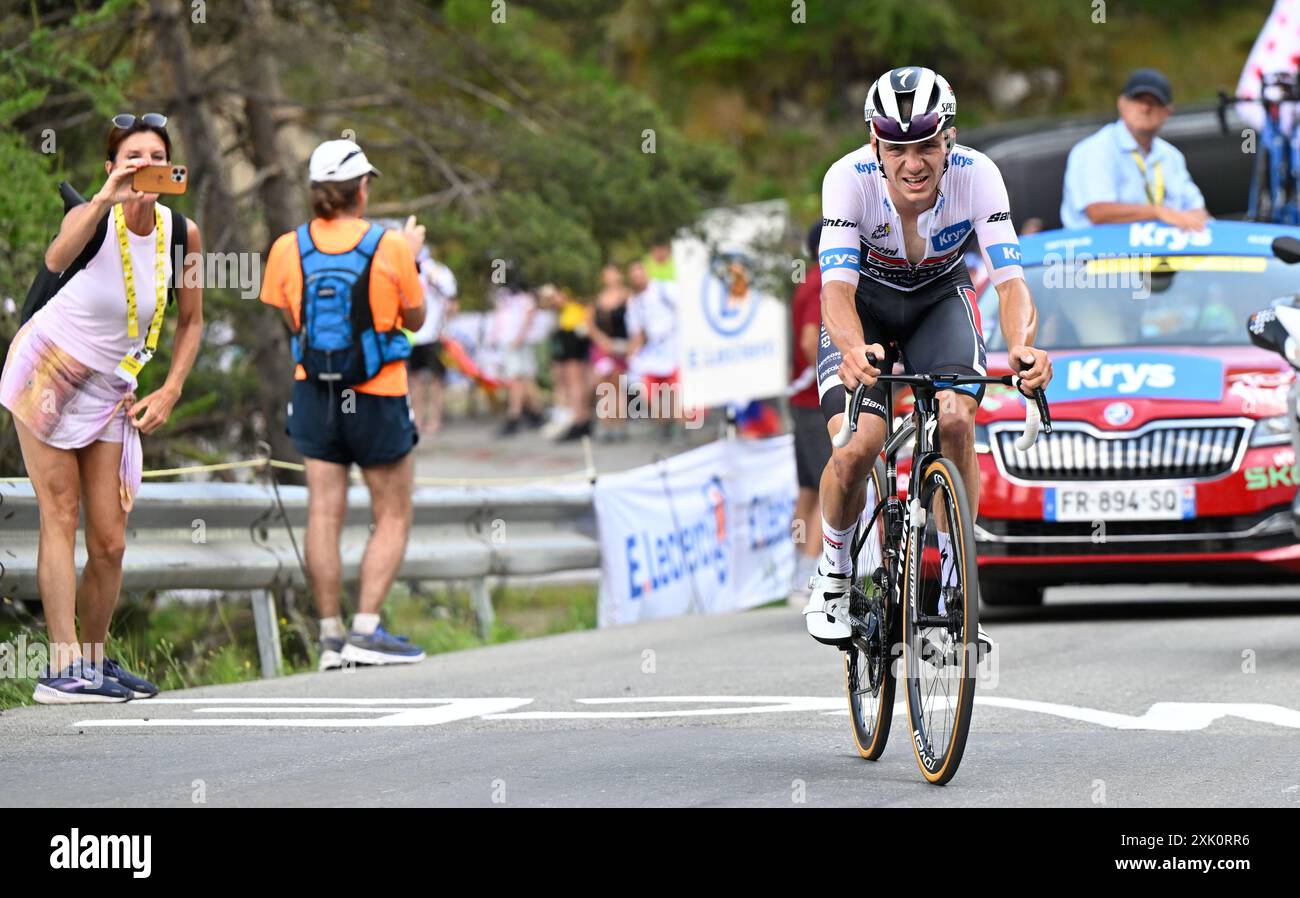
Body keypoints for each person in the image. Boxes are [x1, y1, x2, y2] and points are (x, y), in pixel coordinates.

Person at [806, 66, 1052, 646]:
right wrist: (849, 348)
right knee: (860, 443)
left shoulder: (979, 176)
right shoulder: (847, 179)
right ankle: (836, 573)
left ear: (949, 139)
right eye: (897, 148)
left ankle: (952, 586)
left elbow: (1010, 282)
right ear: (876, 145)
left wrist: (1022, 346)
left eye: (926, 146)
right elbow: (836, 291)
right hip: (863, 305)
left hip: (939, 300)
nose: (913, 163)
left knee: (959, 419)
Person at [0, 113, 204, 702]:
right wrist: (104, 199)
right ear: (113, 166)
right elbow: (57, 259)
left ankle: (93, 658)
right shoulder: (93, 216)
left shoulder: (182, 233)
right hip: (48, 367)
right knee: (60, 512)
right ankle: (62, 667)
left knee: (110, 538)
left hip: (110, 387)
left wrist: (170, 388)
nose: (145, 167)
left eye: (155, 157)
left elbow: (190, 322)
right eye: (132, 157)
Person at [260, 138, 427, 669]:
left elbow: (294, 322)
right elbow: (417, 320)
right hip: (377, 393)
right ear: (361, 189)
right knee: (392, 513)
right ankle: (367, 629)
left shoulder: (288, 247)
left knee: (324, 512)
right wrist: (413, 258)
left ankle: (330, 637)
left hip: (316, 392)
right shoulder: (392, 245)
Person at [1060, 68, 1209, 231]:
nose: (1145, 108)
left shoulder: (1171, 156)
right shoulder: (1094, 150)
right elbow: (1098, 213)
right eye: (1138, 100)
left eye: (1154, 102)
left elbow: (1197, 210)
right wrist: (1158, 212)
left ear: (1167, 112)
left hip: (1162, 251)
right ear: (1121, 104)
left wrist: (1195, 217)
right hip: (1100, 253)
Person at [788, 221, 830, 599]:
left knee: (806, 488)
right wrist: (829, 374)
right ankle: (810, 575)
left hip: (800, 399)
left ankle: (797, 569)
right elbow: (807, 339)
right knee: (825, 484)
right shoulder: (820, 282)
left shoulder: (807, 280)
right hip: (816, 399)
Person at [626, 260, 683, 439]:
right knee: (653, 391)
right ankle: (663, 425)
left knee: (676, 389)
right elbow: (638, 332)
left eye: (640, 273)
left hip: (674, 344)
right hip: (654, 350)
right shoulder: (635, 302)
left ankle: (679, 428)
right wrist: (632, 353)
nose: (638, 278)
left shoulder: (666, 289)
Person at [408, 247, 458, 436]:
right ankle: (418, 419)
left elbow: (452, 302)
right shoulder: (406, 269)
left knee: (436, 380)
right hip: (413, 335)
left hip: (435, 335)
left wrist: (445, 327)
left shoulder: (438, 271)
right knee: (414, 380)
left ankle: (435, 420)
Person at [488, 268, 544, 437]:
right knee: (525, 379)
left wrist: (519, 338)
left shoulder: (524, 299)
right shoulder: (506, 299)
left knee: (517, 380)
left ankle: (514, 416)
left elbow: (529, 318)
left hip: (517, 343)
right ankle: (536, 413)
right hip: (510, 342)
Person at [543, 285, 593, 441]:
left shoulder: (575, 310)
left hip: (573, 348)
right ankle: (577, 418)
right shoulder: (560, 313)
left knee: (575, 383)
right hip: (566, 347)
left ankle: (580, 419)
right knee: (569, 384)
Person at [588, 264, 631, 442]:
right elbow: (590, 324)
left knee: (617, 384)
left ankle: (619, 422)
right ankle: (607, 422)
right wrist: (602, 341)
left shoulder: (628, 296)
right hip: (602, 348)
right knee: (604, 386)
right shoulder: (598, 299)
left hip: (621, 346)